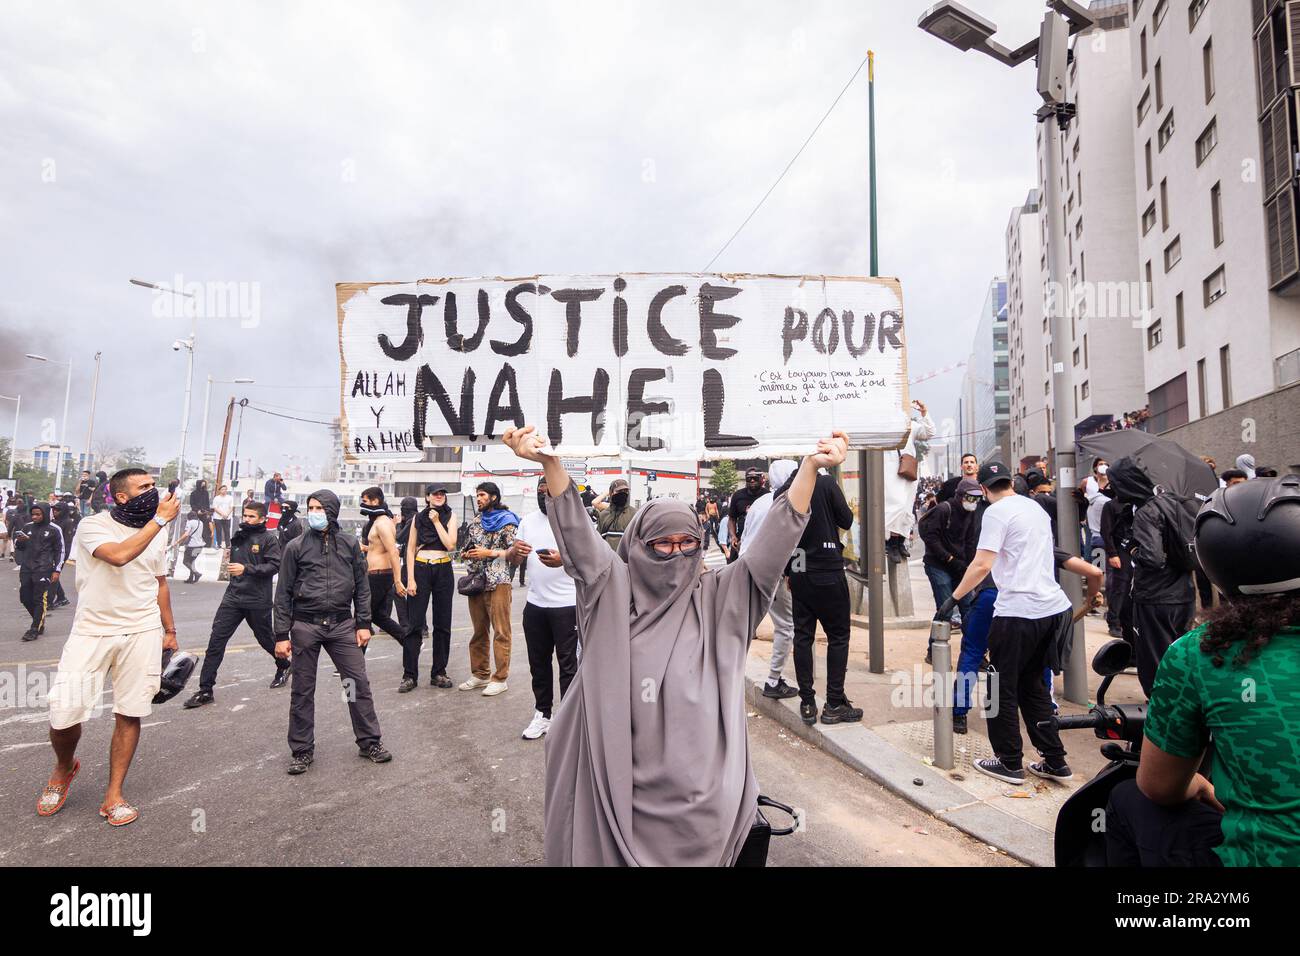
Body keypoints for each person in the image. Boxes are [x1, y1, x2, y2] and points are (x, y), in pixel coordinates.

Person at [502, 423, 840, 866]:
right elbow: (579, 537)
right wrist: (550, 463)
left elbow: (774, 544)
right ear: (637, 546)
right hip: (618, 799)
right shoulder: (611, 593)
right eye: (661, 543)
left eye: (687, 544)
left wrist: (810, 468)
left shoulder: (723, 599)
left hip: (706, 806)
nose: (675, 553)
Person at [1105, 474, 1300, 866]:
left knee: (1126, 798)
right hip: (1173, 598)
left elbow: (1159, 786)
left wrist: (1194, 782)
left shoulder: (1199, 652)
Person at [36, 469, 182, 826]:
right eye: (144, 487)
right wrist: (160, 521)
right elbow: (118, 556)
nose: (154, 492)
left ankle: (114, 794)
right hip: (93, 630)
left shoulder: (155, 530)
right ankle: (64, 767)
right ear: (120, 496)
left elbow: (159, 581)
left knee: (130, 712)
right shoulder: (93, 526)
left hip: (141, 630)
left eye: (153, 485)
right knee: (64, 712)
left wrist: (169, 630)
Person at [947, 461, 1075, 784]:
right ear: (1012, 485)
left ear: (986, 490)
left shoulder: (995, 512)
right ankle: (1055, 760)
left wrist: (953, 599)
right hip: (1052, 610)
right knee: (1032, 685)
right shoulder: (1035, 510)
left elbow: (982, 564)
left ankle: (1008, 761)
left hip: (1018, 610)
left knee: (997, 687)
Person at [273, 490, 391, 775]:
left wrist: (363, 624)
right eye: (310, 507)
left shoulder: (350, 544)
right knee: (302, 690)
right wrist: (280, 635)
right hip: (305, 626)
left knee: (356, 685)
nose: (313, 512)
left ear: (332, 511)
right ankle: (301, 750)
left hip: (341, 625)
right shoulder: (295, 547)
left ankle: (369, 741)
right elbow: (283, 592)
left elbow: (362, 587)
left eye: (318, 508)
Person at [183, 499, 287, 708]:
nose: (247, 520)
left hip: (257, 599)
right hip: (233, 597)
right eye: (245, 515)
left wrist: (246, 569)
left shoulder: (269, 539)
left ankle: (284, 665)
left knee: (266, 639)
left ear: (262, 519)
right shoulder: (238, 537)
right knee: (216, 642)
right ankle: (205, 690)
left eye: (252, 517)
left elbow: (274, 566)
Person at [1109, 457, 1195, 696]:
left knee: (1156, 660)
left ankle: (1161, 712)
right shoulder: (1173, 503)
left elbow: (1153, 558)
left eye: (1115, 484)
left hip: (1155, 598)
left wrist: (1134, 549)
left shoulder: (1147, 512)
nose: (1112, 489)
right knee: (1182, 657)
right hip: (1184, 594)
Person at [788, 451, 859, 725]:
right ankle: (833, 703)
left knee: (802, 636)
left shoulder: (788, 486)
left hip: (799, 568)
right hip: (827, 567)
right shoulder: (827, 484)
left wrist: (789, 573)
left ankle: (807, 702)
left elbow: (781, 529)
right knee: (838, 636)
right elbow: (846, 520)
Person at [508, 476, 580, 740]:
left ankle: (570, 718)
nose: (543, 495)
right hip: (536, 606)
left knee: (568, 665)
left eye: (549, 491)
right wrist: (516, 552)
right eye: (540, 491)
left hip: (567, 605)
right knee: (538, 663)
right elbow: (514, 559)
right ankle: (543, 714)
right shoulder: (527, 521)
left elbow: (591, 558)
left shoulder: (576, 521)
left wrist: (565, 559)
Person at [739, 459, 800, 699]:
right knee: (786, 626)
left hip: (745, 567)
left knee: (744, 625)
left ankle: (725, 671)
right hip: (768, 571)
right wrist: (793, 573)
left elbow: (745, 535)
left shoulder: (759, 502)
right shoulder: (786, 503)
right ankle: (774, 680)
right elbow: (788, 543)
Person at [459, 481, 517, 696]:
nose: (479, 498)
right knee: (479, 631)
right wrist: (468, 554)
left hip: (499, 581)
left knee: (501, 631)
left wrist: (489, 553)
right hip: (476, 581)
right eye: (477, 495)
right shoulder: (476, 522)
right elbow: (465, 548)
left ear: (494, 497)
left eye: (482, 494)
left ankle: (500, 678)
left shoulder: (507, 521)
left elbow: (515, 552)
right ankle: (480, 674)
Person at [919, 478, 981, 654]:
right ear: (961, 495)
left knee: (969, 609)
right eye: (971, 497)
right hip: (938, 564)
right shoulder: (943, 509)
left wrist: (969, 567)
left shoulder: (971, 513)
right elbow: (931, 537)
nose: (973, 502)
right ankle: (935, 651)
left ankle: (973, 653)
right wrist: (949, 558)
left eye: (977, 498)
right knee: (946, 608)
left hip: (960, 567)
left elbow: (969, 542)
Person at [404, 485, 458, 688]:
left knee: (443, 624)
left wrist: (436, 522)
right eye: (435, 493)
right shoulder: (417, 518)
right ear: (427, 497)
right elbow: (409, 549)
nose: (439, 496)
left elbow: (450, 544)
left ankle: (439, 673)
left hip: (443, 569)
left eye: (442, 494)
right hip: (421, 568)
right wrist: (410, 578)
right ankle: (409, 675)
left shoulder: (450, 516)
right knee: (414, 624)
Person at [358, 487, 410, 686]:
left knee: (363, 616)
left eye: (366, 501)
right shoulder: (377, 522)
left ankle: (354, 661)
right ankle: (409, 642)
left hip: (379, 576)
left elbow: (393, 552)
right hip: (374, 574)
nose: (363, 504)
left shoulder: (383, 523)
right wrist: (365, 548)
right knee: (378, 616)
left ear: (376, 501)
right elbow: (377, 548)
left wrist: (398, 581)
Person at [883, 399, 934, 563]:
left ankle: (899, 542)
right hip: (888, 470)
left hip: (908, 470)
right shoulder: (880, 426)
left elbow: (929, 432)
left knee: (906, 508)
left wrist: (924, 413)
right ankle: (890, 543)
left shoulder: (909, 425)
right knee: (894, 506)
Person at [14, 502, 66, 641]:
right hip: (27, 567)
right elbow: (19, 546)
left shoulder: (54, 529)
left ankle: (34, 628)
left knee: (39, 598)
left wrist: (57, 570)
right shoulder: (27, 527)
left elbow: (60, 551)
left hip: (44, 568)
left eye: (38, 514)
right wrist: (20, 541)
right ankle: (39, 621)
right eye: (33, 514)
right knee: (24, 597)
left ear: (45, 513)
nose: (35, 517)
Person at [725, 468, 766, 564]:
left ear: (761, 479)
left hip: (760, 542)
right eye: (749, 478)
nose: (752, 480)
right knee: (734, 572)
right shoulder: (738, 495)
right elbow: (732, 519)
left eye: (755, 478)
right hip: (740, 541)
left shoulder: (768, 495)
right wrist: (733, 536)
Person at [49, 500, 78, 609]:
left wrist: (62, 557)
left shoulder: (68, 522)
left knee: (53, 576)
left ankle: (50, 601)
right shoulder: (54, 521)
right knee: (51, 574)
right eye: (54, 509)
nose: (55, 511)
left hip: (61, 554)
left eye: (57, 510)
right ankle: (61, 597)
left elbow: (67, 542)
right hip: (51, 552)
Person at [594, 478, 636, 551]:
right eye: (619, 491)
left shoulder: (634, 514)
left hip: (626, 560)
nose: (622, 493)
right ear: (611, 493)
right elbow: (598, 540)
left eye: (625, 491)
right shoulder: (604, 515)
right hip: (607, 559)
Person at [179, 510, 204, 583]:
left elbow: (186, 534)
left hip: (192, 546)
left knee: (185, 561)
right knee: (191, 561)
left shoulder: (190, 522)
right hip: (200, 546)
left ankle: (196, 573)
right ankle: (191, 578)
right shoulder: (201, 522)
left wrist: (180, 542)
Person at [211, 484, 233, 549]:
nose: (224, 491)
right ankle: (219, 544)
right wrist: (222, 514)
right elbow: (215, 508)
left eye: (225, 489)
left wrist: (227, 514)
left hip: (227, 517)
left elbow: (231, 507)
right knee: (218, 531)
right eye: (223, 489)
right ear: (220, 490)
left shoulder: (230, 497)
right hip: (218, 517)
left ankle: (228, 545)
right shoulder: (216, 498)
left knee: (227, 531)